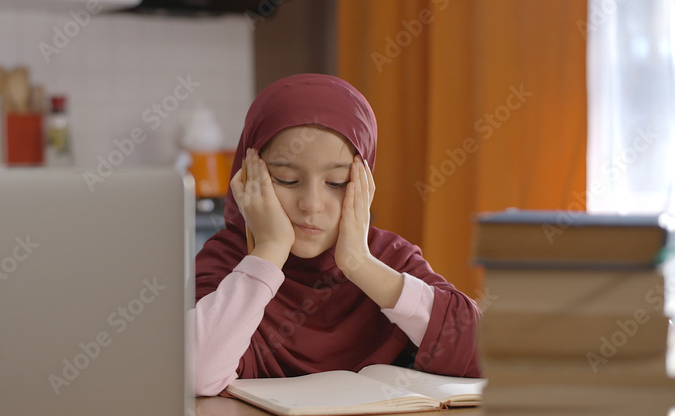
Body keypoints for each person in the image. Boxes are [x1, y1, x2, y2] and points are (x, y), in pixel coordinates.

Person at [192, 74, 481, 397]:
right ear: (247, 176)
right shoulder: (230, 261)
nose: (311, 205)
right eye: (286, 179)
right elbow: (195, 373)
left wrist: (359, 263)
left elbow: (485, 353)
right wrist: (270, 251)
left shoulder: (388, 257)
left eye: (337, 182)